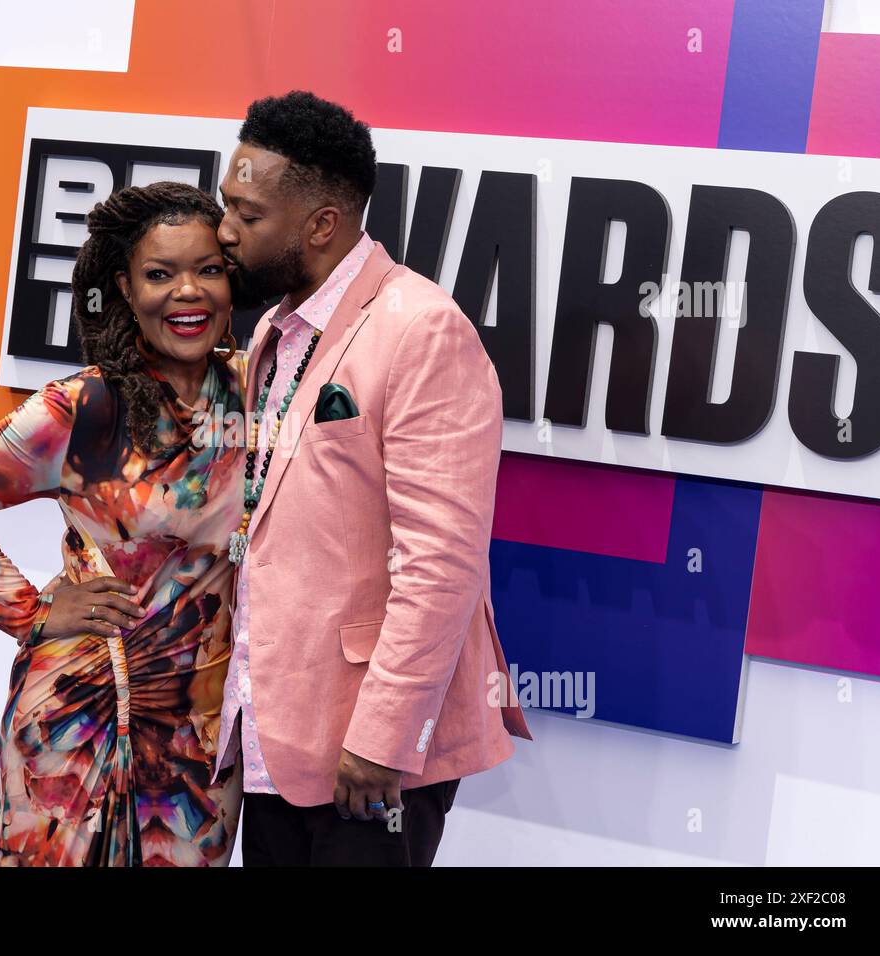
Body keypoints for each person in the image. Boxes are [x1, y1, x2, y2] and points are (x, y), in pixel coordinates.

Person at [212, 90, 533, 866]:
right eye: (226, 205)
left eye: (248, 216)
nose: (224, 232)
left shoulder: (420, 327)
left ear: (321, 224)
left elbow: (443, 561)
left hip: (369, 754)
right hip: (279, 736)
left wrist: (386, 736)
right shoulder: (272, 329)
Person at [0, 181, 247, 866]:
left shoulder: (250, 388)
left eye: (208, 269)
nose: (188, 292)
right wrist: (29, 612)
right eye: (160, 274)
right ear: (123, 286)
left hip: (199, 730)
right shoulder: (88, 405)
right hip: (80, 712)